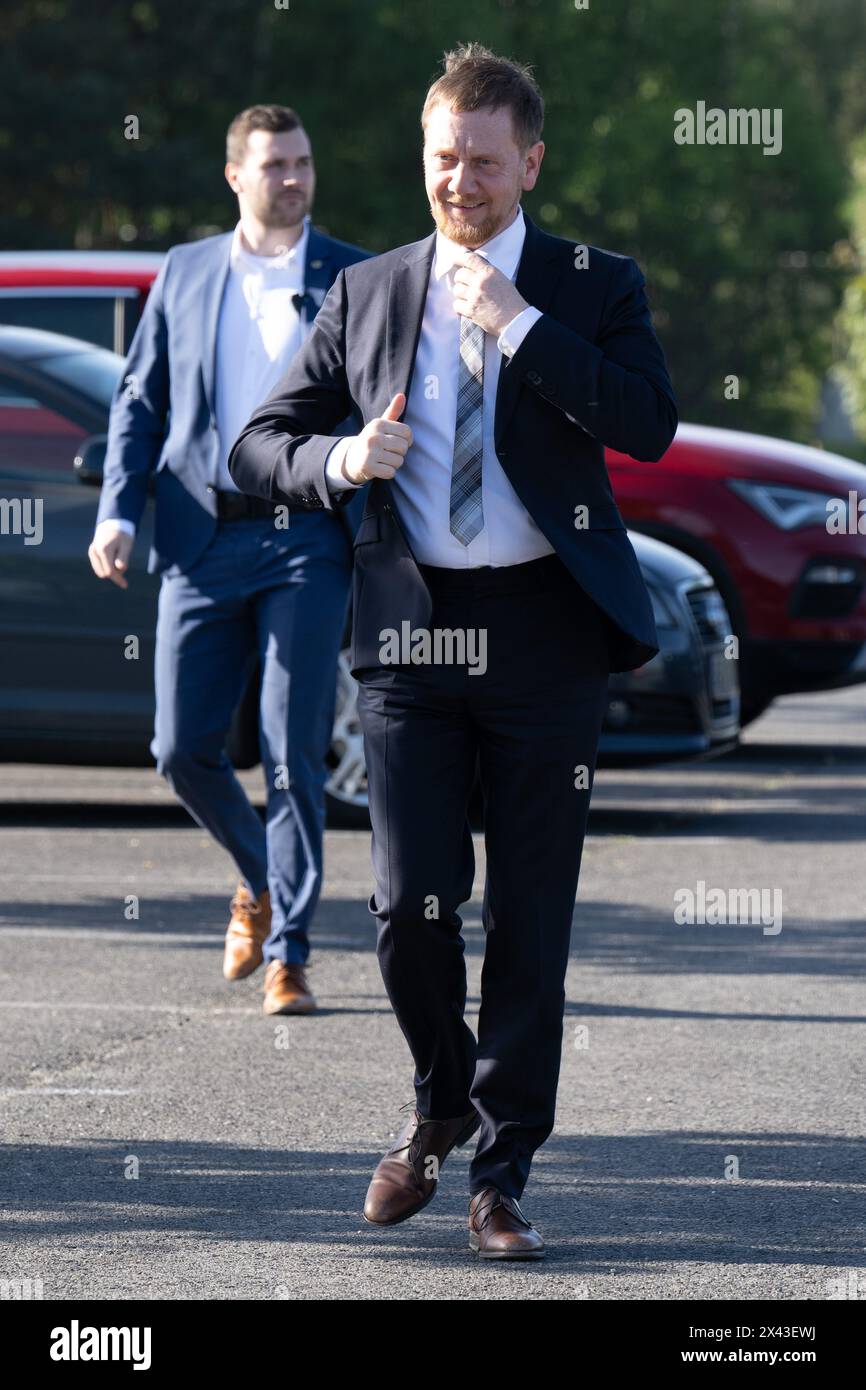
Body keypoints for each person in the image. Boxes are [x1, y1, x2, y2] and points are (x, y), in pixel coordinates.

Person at [229, 46, 677, 1257]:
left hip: (542, 629)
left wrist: (521, 325)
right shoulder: (369, 292)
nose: (459, 182)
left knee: (531, 920)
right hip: (411, 633)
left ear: (528, 161)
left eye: (482, 161)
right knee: (405, 903)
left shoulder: (591, 284)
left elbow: (646, 421)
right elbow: (255, 444)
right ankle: (436, 1101)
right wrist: (335, 462)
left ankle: (498, 1173)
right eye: (441, 160)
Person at [88, 104, 369, 1015]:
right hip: (202, 536)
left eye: (303, 161)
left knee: (292, 753)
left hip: (305, 539)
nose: (292, 178)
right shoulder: (186, 271)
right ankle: (260, 878)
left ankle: (289, 951)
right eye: (274, 164)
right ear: (235, 177)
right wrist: (118, 513)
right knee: (181, 749)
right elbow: (139, 405)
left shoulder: (351, 276)